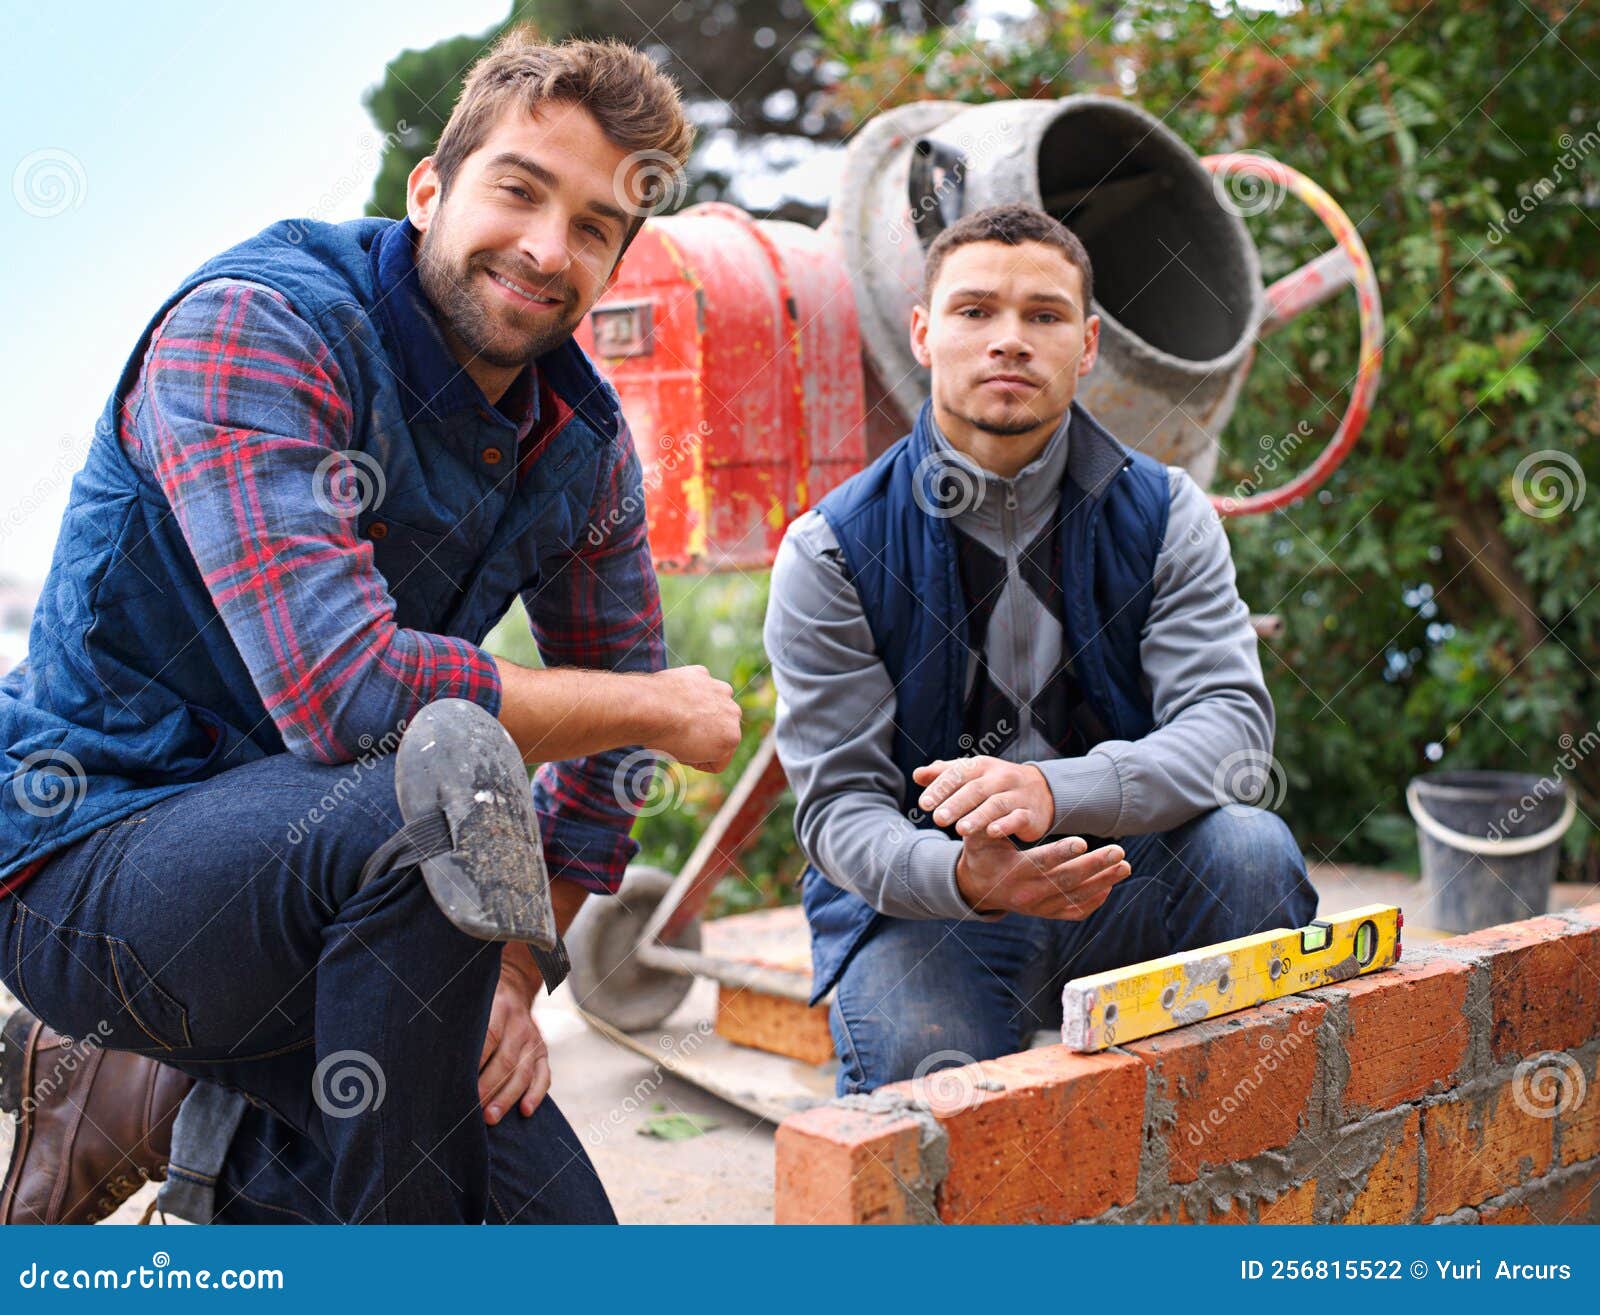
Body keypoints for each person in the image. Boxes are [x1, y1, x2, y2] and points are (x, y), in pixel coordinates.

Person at [0, 28, 741, 1224]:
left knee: (562, 1241)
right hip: (87, 865)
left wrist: (512, 965)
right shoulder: (258, 325)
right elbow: (347, 694)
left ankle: (173, 1113)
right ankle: (143, 1059)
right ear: (430, 189)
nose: (549, 249)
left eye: (596, 227)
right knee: (433, 791)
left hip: (344, 898)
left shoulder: (582, 448)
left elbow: (605, 773)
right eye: (519, 190)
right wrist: (655, 705)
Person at [763, 202, 1319, 1096]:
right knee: (917, 1078)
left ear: (1088, 342)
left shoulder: (1168, 512)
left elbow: (1230, 731)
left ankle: (1236, 1168)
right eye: (976, 311)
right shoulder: (833, 549)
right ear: (924, 333)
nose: (1009, 340)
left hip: (1125, 877)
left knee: (1251, 851)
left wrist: (1055, 788)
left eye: (1045, 315)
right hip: (934, 909)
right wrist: (964, 874)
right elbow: (838, 810)